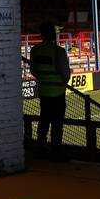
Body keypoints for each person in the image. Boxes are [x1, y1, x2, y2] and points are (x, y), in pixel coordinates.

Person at [31, 20, 70, 160]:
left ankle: (40, 147)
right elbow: (65, 73)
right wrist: (62, 83)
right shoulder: (58, 51)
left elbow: (34, 71)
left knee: (44, 121)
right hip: (58, 93)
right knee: (57, 123)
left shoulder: (35, 50)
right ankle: (56, 150)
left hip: (43, 91)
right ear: (52, 34)